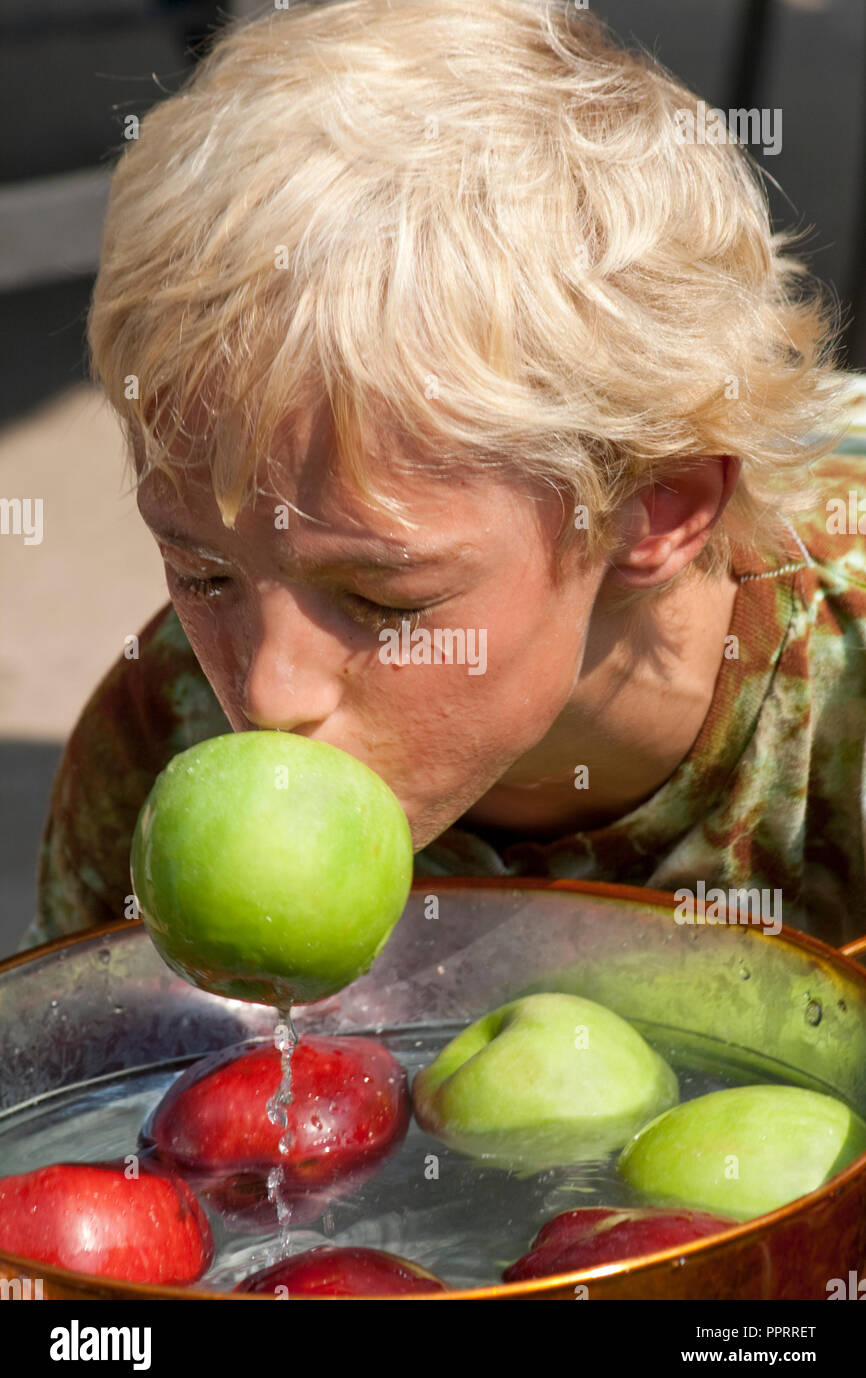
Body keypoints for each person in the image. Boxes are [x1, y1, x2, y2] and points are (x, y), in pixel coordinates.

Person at [30, 0, 866, 953]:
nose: (266, 693)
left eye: (383, 602)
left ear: (657, 507)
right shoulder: (161, 741)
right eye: (206, 575)